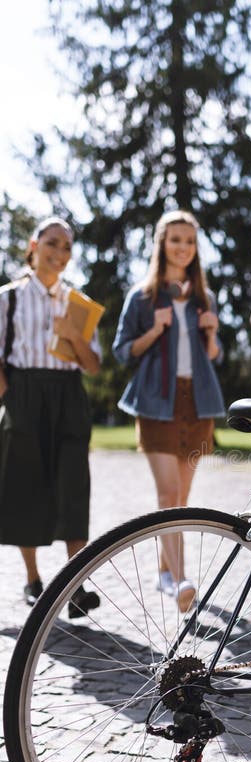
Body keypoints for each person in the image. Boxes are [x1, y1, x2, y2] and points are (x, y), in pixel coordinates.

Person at [113, 210, 225, 612]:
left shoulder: (203, 298)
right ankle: (180, 581)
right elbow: (123, 350)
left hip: (197, 403)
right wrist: (155, 329)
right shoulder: (142, 297)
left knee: (181, 498)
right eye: (176, 239)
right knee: (169, 495)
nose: (183, 247)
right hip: (156, 403)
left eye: (190, 241)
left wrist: (210, 330)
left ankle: (164, 574)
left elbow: (214, 356)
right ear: (162, 244)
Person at [0, 216, 102, 618]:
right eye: (53, 243)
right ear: (34, 244)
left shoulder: (77, 302)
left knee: (73, 486)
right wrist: (11, 396)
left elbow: (92, 364)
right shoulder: (8, 298)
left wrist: (74, 335)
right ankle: (32, 579)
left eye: (67, 247)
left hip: (68, 395)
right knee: (28, 484)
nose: (60, 253)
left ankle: (76, 587)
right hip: (24, 393)